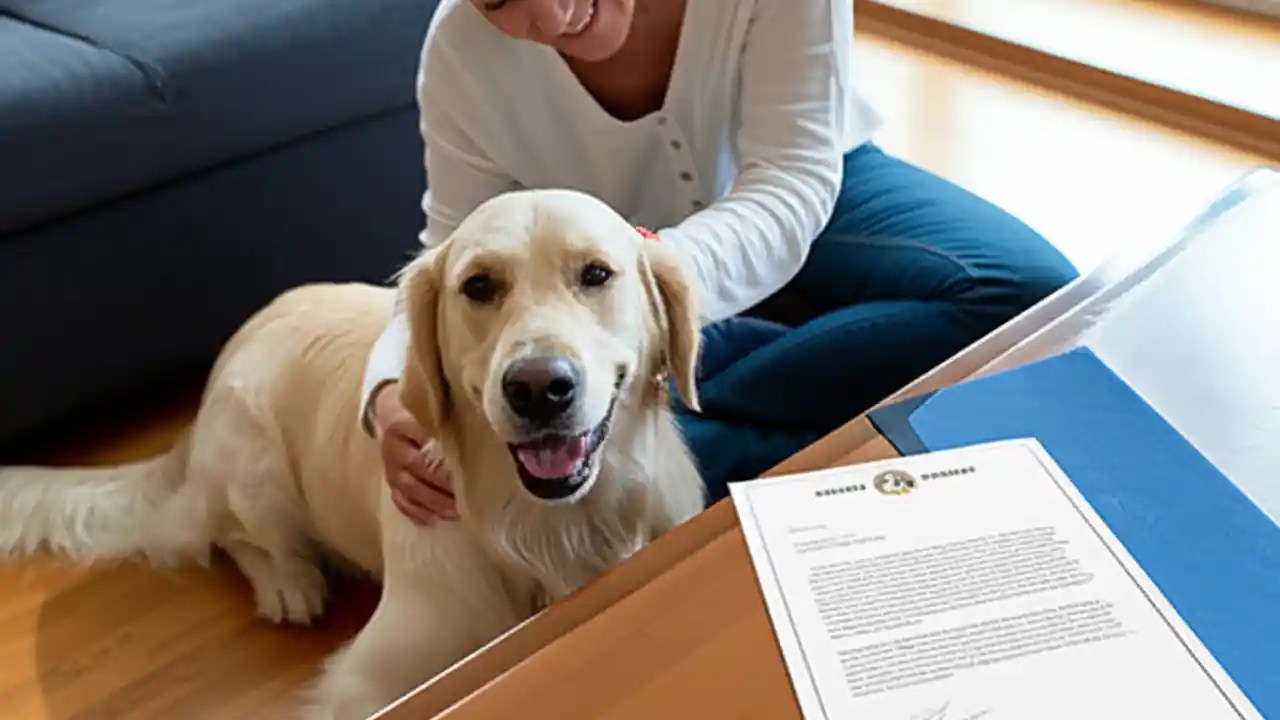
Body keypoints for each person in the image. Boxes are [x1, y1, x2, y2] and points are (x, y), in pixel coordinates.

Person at [361, 0, 1078, 526]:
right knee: (573, 466)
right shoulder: (460, 53)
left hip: (803, 200)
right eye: (500, 1)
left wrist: (654, 289)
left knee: (1031, 297)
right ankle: (792, 446)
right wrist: (387, 393)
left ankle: (694, 428)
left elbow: (793, 178)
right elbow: (448, 249)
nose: (550, 19)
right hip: (600, 286)